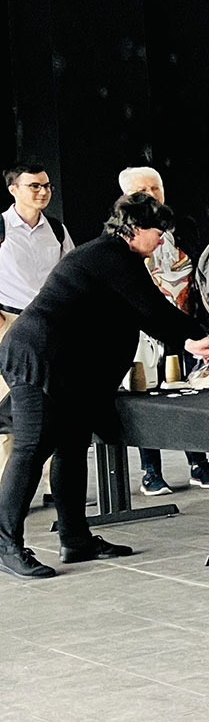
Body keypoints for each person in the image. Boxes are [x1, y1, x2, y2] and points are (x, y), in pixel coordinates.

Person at [0, 194, 209, 579]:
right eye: (158, 231)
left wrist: (191, 338)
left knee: (71, 447)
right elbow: (152, 308)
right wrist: (193, 339)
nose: (161, 239)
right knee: (31, 448)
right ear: (134, 229)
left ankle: (75, 540)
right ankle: (5, 544)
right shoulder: (111, 256)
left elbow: (140, 314)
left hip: (67, 370)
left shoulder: (117, 258)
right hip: (37, 356)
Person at [117, 166, 209, 495]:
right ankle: (151, 470)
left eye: (156, 188)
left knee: (191, 397)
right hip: (143, 332)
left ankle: (199, 464)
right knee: (146, 398)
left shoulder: (184, 226)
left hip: (186, 325)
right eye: (142, 190)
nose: (151, 195)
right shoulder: (122, 235)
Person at [0, 161, 75, 495]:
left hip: (51, 322)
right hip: (11, 322)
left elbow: (71, 270)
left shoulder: (55, 229)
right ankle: (8, 490)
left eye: (46, 186)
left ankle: (49, 487)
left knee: (51, 402)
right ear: (13, 189)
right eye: (34, 186)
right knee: (9, 407)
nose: (43, 192)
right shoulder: (2, 227)